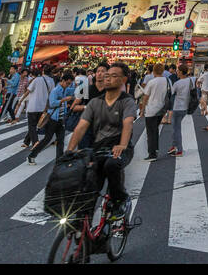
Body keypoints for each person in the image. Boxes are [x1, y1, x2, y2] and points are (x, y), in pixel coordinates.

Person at [65, 62, 136, 219]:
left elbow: (128, 123)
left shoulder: (127, 101)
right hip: (96, 146)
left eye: (113, 75)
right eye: (105, 74)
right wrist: (69, 151)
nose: (106, 77)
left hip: (119, 149)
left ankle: (119, 200)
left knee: (112, 164)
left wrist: (122, 145)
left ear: (124, 80)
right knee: (89, 183)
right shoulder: (93, 99)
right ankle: (83, 226)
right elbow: (81, 126)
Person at [28, 71, 74, 164]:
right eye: (67, 83)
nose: (68, 85)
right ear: (63, 81)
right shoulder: (55, 90)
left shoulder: (66, 89)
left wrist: (81, 83)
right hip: (53, 119)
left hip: (61, 119)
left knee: (61, 141)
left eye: (70, 84)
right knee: (47, 139)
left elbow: (77, 90)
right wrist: (63, 100)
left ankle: (59, 162)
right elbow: (52, 103)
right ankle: (32, 155)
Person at [141, 64, 172, 162]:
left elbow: (145, 97)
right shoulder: (167, 81)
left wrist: (142, 110)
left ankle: (152, 154)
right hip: (162, 109)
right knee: (155, 130)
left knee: (150, 132)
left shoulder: (152, 82)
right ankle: (156, 149)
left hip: (151, 109)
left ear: (153, 71)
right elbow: (171, 92)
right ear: (163, 71)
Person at [20, 66, 54, 148]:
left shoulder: (37, 79)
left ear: (43, 71)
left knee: (32, 125)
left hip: (33, 105)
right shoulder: (52, 81)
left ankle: (35, 141)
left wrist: (21, 100)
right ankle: (26, 142)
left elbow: (28, 91)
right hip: (43, 107)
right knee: (35, 125)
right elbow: (51, 94)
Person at [166, 64, 194, 157]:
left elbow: (171, 92)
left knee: (176, 129)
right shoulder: (190, 81)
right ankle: (173, 146)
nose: (177, 72)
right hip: (185, 107)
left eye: (178, 71)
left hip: (177, 107)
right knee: (175, 128)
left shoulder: (177, 83)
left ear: (181, 72)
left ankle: (179, 150)